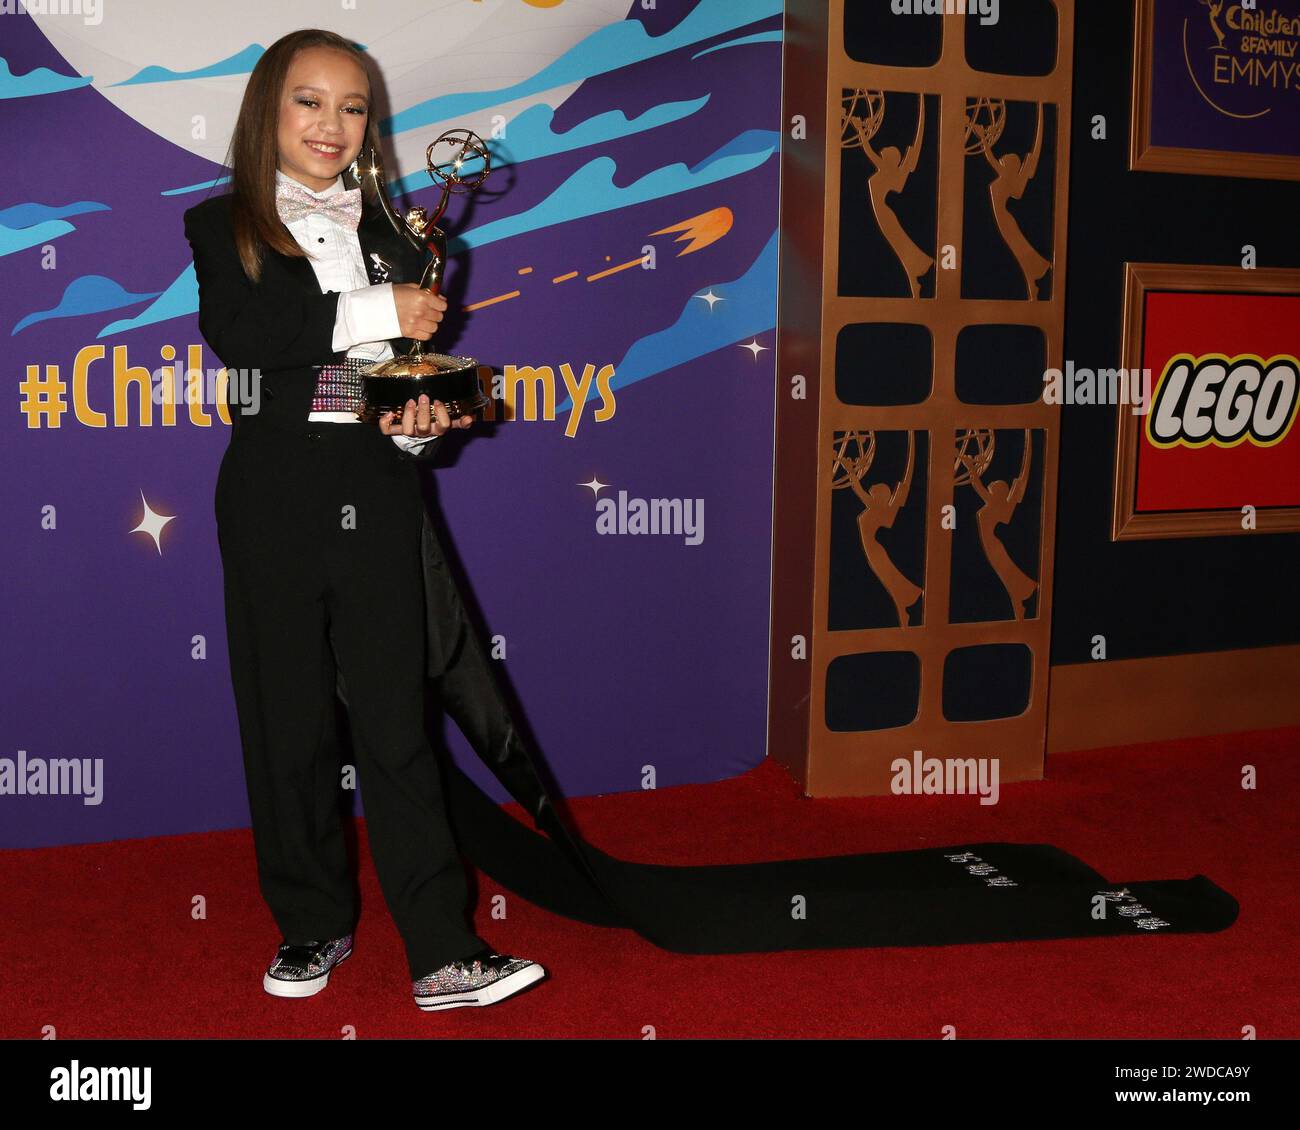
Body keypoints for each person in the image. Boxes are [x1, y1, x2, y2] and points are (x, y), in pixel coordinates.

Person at [182, 28, 545, 1011]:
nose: (330, 126)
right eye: (309, 102)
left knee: (397, 723)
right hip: (269, 504)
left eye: (351, 107)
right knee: (287, 722)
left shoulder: (403, 233)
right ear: (269, 112)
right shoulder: (223, 227)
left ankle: (442, 948)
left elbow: (362, 388)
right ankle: (311, 922)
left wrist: (421, 421)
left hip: (377, 498)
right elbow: (250, 346)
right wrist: (374, 306)